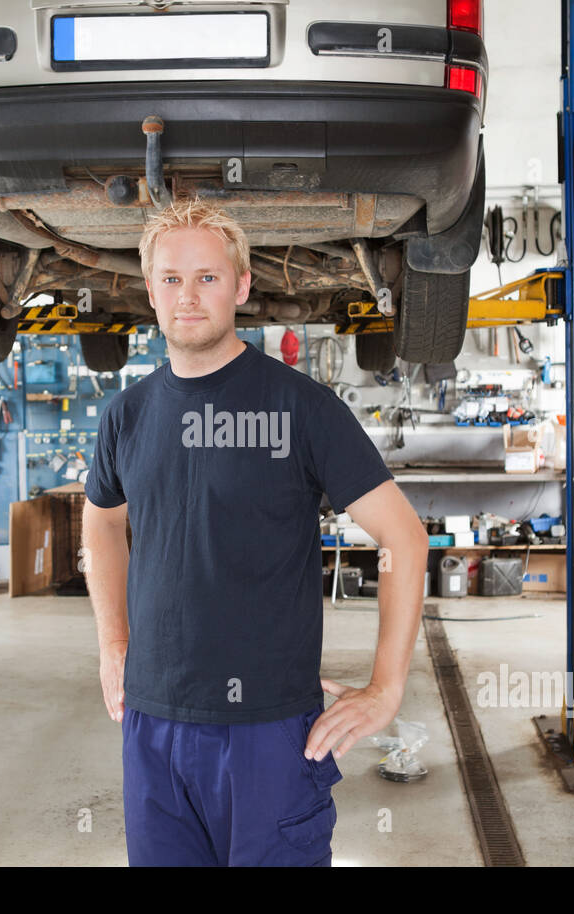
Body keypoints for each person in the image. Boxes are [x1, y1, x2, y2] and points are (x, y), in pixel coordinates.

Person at [81, 197, 428, 866]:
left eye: (208, 277)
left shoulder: (300, 407)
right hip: (153, 729)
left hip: (268, 733)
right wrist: (112, 642)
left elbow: (405, 538)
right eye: (172, 278)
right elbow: (101, 518)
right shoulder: (127, 414)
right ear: (150, 288)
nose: (188, 296)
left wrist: (386, 687)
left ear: (241, 285)